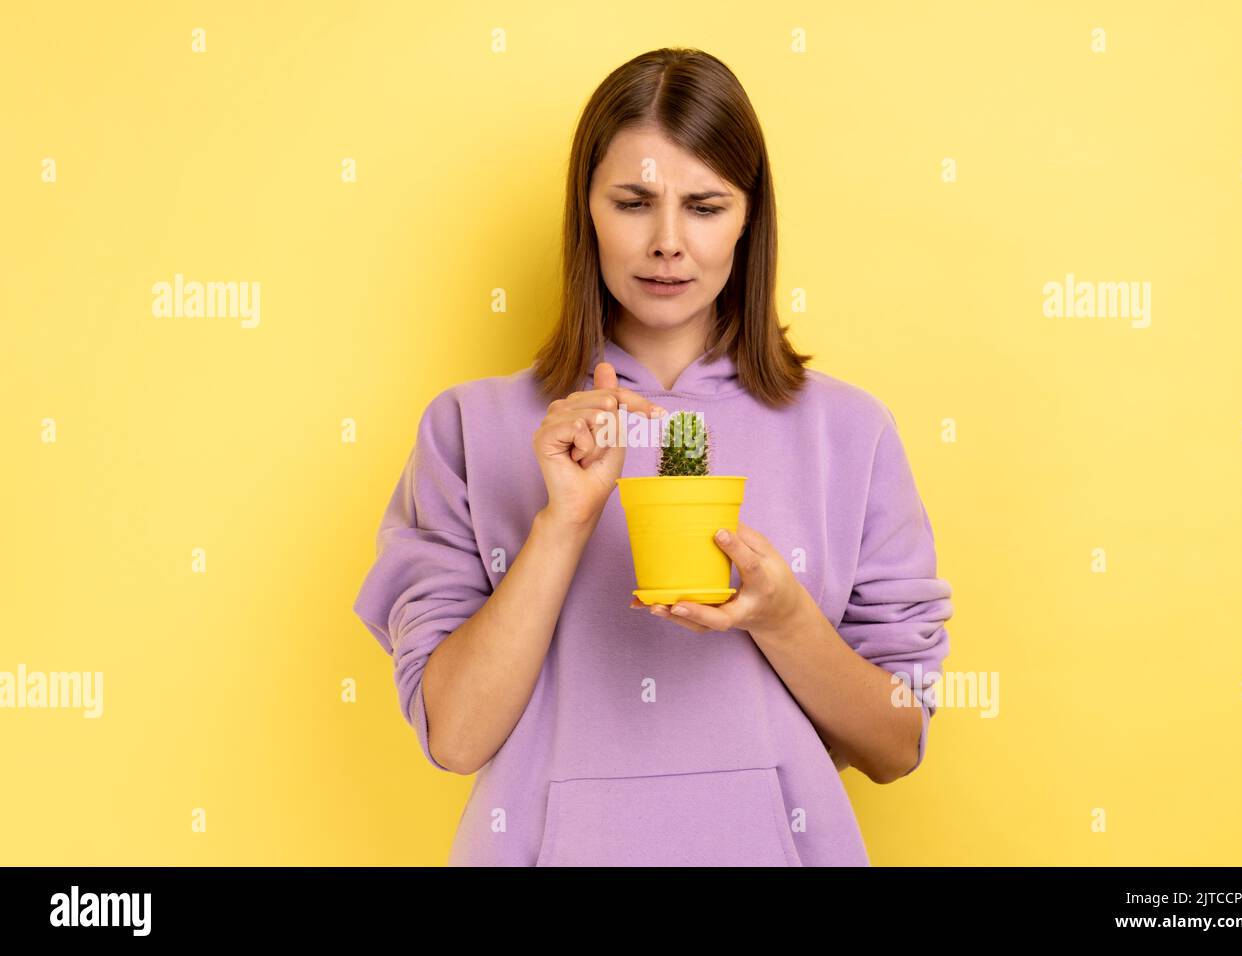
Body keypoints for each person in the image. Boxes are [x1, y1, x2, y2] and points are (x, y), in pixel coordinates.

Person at [353, 47, 953, 866]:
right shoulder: (471, 427)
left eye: (705, 205)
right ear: (586, 212)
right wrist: (563, 523)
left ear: (749, 220)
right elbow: (455, 736)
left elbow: (897, 745)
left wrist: (785, 619)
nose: (668, 242)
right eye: (633, 201)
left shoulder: (848, 431)